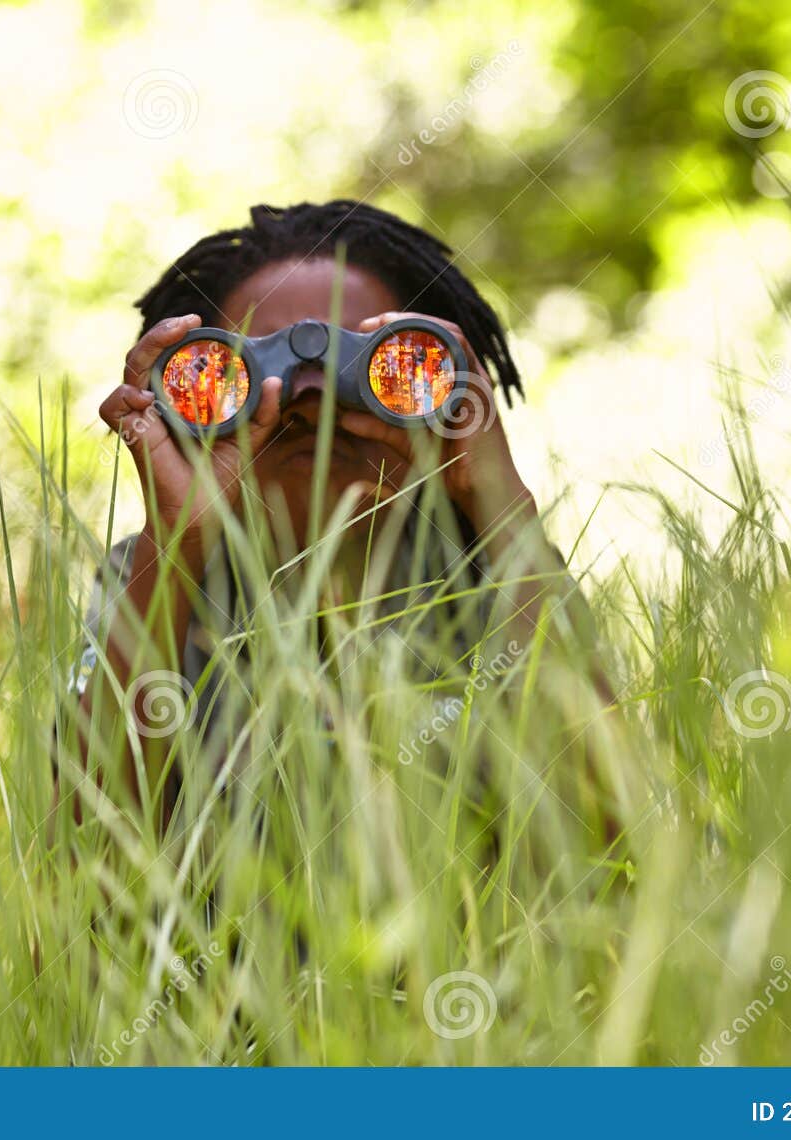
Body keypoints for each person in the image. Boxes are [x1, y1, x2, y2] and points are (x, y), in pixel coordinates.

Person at [76, 200, 598, 816]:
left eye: (388, 368)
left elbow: (617, 843)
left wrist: (501, 508)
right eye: (235, 374)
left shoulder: (497, 567)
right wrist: (173, 550)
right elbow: (80, 874)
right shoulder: (151, 577)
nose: (308, 398)